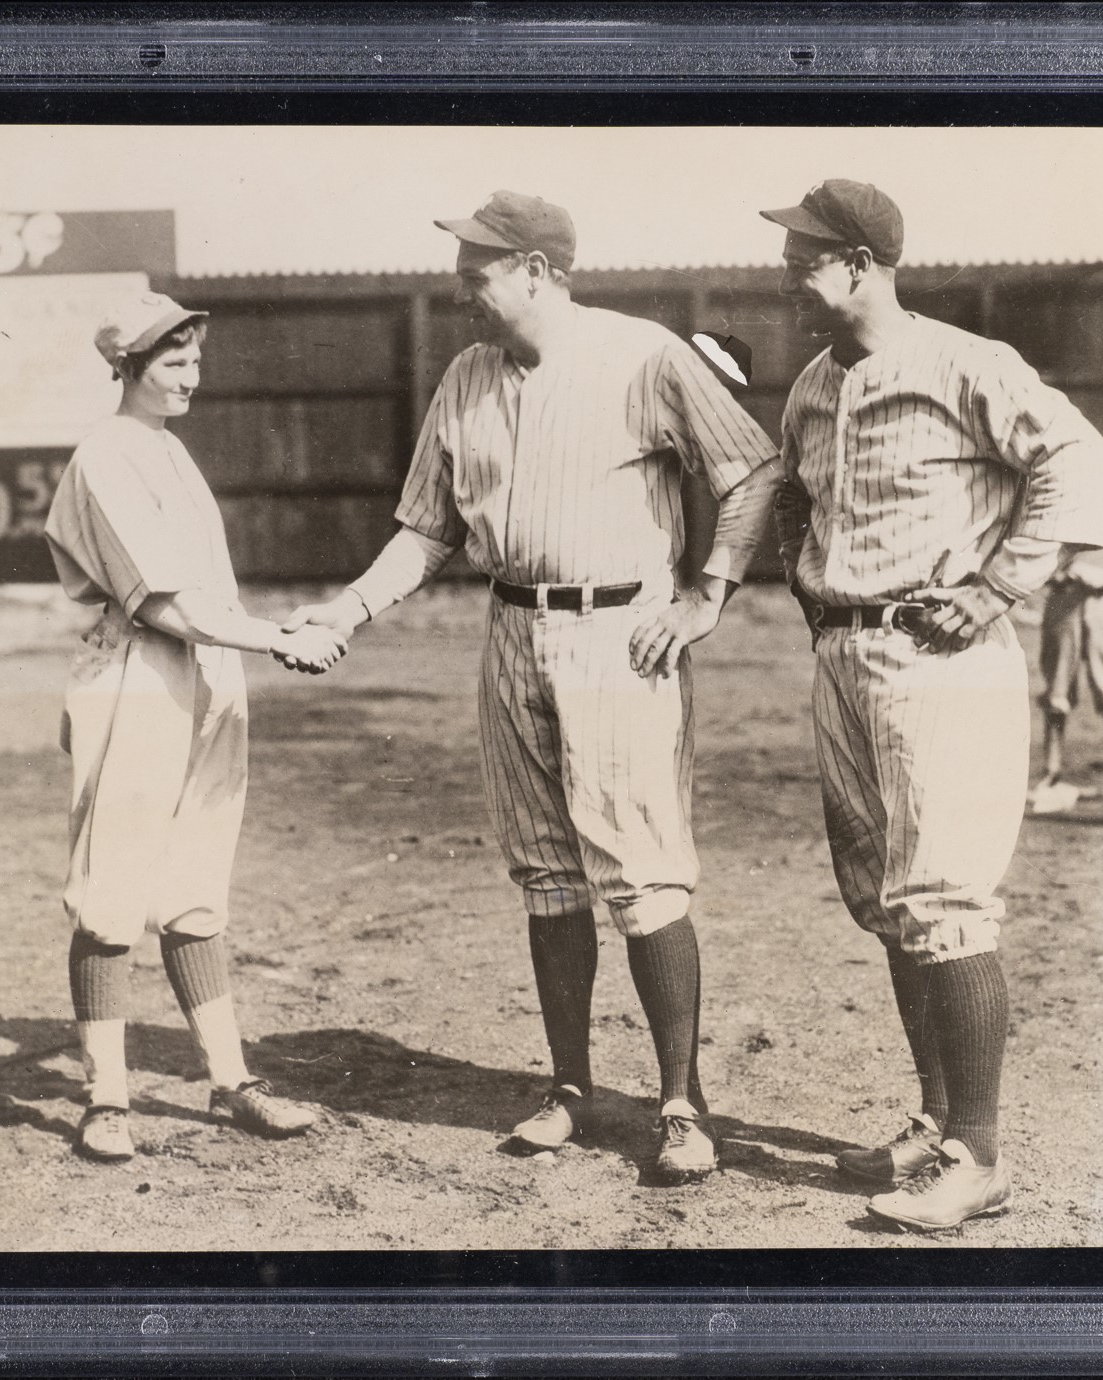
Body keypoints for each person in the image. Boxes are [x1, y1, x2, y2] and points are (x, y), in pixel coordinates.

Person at [283, 191, 782, 1183]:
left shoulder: (644, 354)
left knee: (641, 876)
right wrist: (345, 611)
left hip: (621, 636)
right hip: (512, 627)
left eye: (479, 265)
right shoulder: (465, 377)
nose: (460, 283)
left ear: (540, 271)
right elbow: (426, 531)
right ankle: (570, 1087)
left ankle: (682, 1106)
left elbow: (751, 467)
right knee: (547, 875)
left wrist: (708, 594)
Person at [764, 179, 1103, 1229]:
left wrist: (999, 586)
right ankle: (935, 1123)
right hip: (844, 652)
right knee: (886, 898)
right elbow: (795, 493)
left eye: (806, 260)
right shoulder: (813, 386)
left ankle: (984, 1157)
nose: (789, 277)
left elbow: (1078, 460)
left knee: (946, 900)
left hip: (938, 657)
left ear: (863, 263)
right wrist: (802, 575)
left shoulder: (966, 361)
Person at [42, 292, 344, 1162]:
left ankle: (231, 1080)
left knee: (195, 887)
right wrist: (280, 636)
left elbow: (205, 602)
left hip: (211, 673)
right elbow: (163, 604)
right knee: (112, 897)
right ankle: (106, 1098)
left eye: (195, 360)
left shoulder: (169, 452)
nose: (190, 376)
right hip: (138, 676)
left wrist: (260, 637)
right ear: (127, 368)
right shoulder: (104, 455)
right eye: (171, 362)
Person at [1032, 506, 1103, 808]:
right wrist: (1058, 574)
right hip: (1063, 604)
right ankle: (1051, 773)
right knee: (1057, 691)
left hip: (1101, 606)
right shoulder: (1053, 509)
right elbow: (1033, 561)